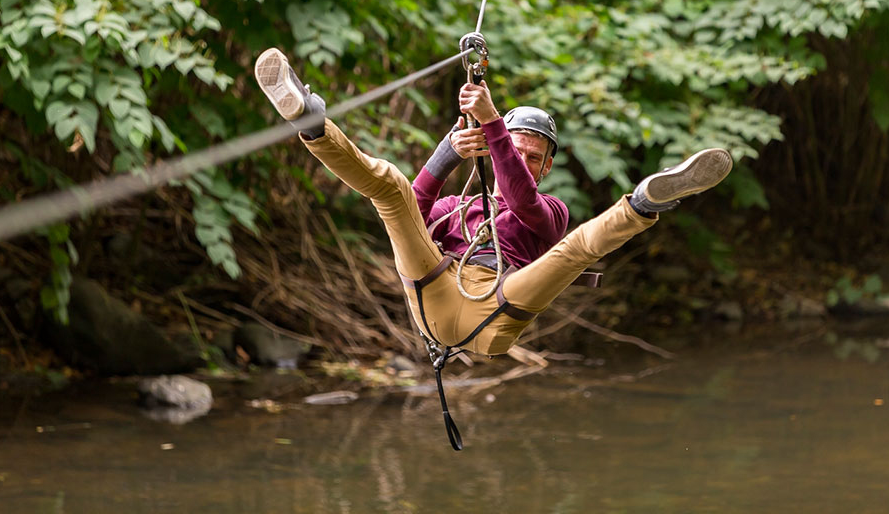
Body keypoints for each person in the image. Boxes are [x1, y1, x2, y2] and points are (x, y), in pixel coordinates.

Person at [254, 47, 733, 356]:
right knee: (392, 188)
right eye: (515, 150)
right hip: (434, 294)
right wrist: (446, 153)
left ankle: (647, 201)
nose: (522, 162)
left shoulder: (550, 212)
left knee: (574, 249)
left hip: (497, 312)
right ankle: (312, 122)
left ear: (546, 169)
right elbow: (413, 214)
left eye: (533, 157)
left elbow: (524, 201)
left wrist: (493, 124)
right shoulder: (457, 211)